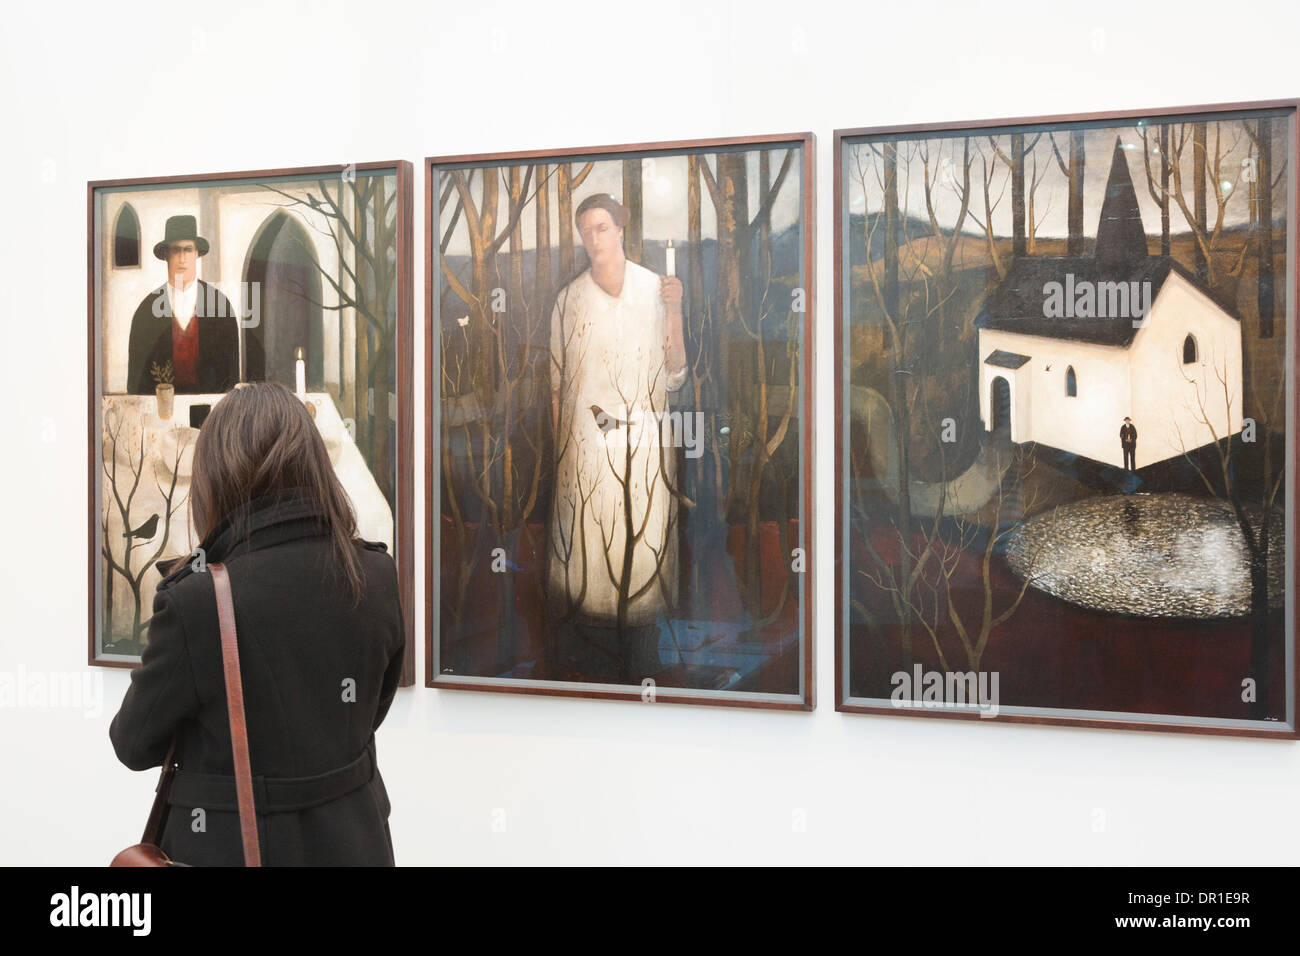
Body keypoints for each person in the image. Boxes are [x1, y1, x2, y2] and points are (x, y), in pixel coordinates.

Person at [109, 381, 405, 866]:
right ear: (314, 464)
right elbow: (371, 709)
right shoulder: (375, 573)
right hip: (357, 842)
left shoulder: (197, 601)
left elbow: (133, 744)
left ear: (216, 475)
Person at [545, 193, 688, 681]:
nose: (594, 238)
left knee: (640, 555)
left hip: (644, 449)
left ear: (621, 230)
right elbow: (557, 388)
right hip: (586, 454)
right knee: (588, 561)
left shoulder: (655, 290)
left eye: (602, 227)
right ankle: (591, 669)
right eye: (586, 230)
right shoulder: (569, 300)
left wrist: (675, 313)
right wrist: (566, 451)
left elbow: (676, 376)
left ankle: (642, 666)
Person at [126, 215, 240, 395]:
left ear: (196, 254)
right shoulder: (146, 311)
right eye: (175, 250)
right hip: (161, 414)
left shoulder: (221, 306)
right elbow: (136, 383)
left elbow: (231, 379)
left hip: (212, 412)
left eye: (188, 250)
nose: (182, 258)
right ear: (166, 255)